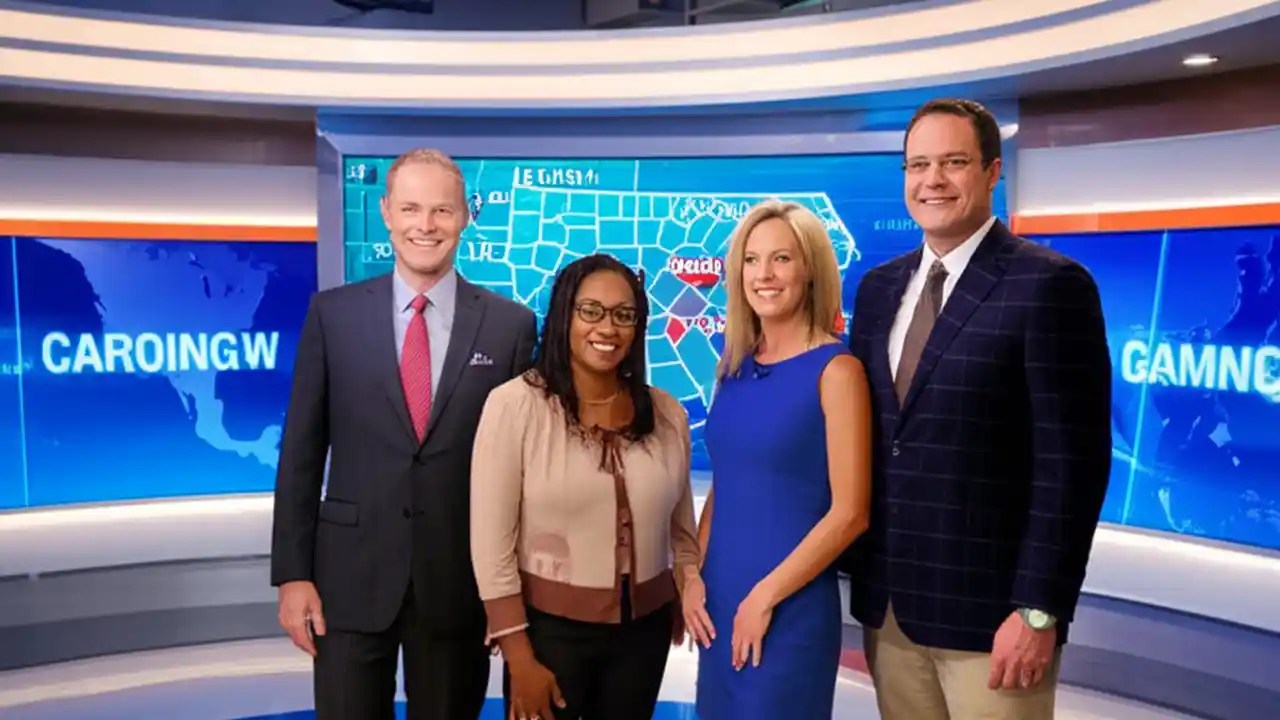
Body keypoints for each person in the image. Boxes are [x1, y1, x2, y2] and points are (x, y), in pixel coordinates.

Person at [843, 98, 1113, 719]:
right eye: (918, 165)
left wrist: (1039, 610)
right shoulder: (879, 289)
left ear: (993, 172)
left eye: (953, 162)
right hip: (891, 608)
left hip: (995, 618)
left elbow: (1073, 465)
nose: (932, 180)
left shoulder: (1049, 285)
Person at [270, 148, 537, 719]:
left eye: (442, 210)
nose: (426, 225)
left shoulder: (511, 325)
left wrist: (508, 595)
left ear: (466, 216)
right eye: (411, 208)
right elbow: (300, 452)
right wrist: (293, 575)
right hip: (347, 579)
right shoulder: (332, 315)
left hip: (458, 583)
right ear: (386, 212)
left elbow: (520, 471)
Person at [469, 253, 703, 720]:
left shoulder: (666, 414)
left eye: (624, 315)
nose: (607, 327)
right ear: (564, 317)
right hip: (547, 635)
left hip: (644, 635)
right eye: (590, 310)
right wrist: (518, 652)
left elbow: (681, 532)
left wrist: (685, 583)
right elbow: (491, 544)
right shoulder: (515, 406)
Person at [692, 200, 872, 720]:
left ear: (810, 269)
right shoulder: (734, 369)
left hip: (786, 609)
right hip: (722, 602)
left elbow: (851, 513)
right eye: (751, 260)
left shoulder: (837, 371)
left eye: (781, 259)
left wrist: (764, 598)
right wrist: (695, 578)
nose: (763, 275)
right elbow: (727, 487)